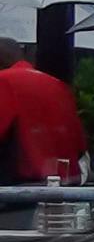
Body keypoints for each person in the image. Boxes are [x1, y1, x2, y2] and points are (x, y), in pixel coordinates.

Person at [0, 19, 83, 189]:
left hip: (17, 193)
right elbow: (80, 144)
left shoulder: (4, 82)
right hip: (65, 189)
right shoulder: (58, 85)